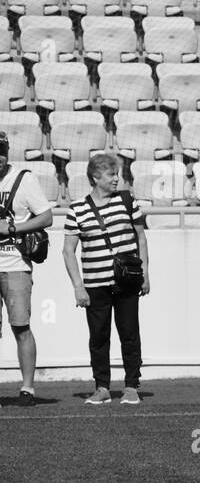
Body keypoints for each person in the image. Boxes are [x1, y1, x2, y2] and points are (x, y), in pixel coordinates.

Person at [62, 153, 149, 405]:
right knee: (98, 337)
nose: (116, 180)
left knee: (129, 333)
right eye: (111, 175)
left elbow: (141, 238)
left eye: (117, 174)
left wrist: (145, 274)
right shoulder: (77, 209)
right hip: (94, 284)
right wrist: (78, 287)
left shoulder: (127, 201)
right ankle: (102, 388)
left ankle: (132, 386)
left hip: (127, 281)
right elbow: (68, 251)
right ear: (95, 177)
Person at [0, 130, 54, 406]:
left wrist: (11, 227)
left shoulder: (23, 179)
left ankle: (27, 389)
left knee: (21, 326)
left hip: (15, 264)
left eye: (1, 151)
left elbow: (46, 216)